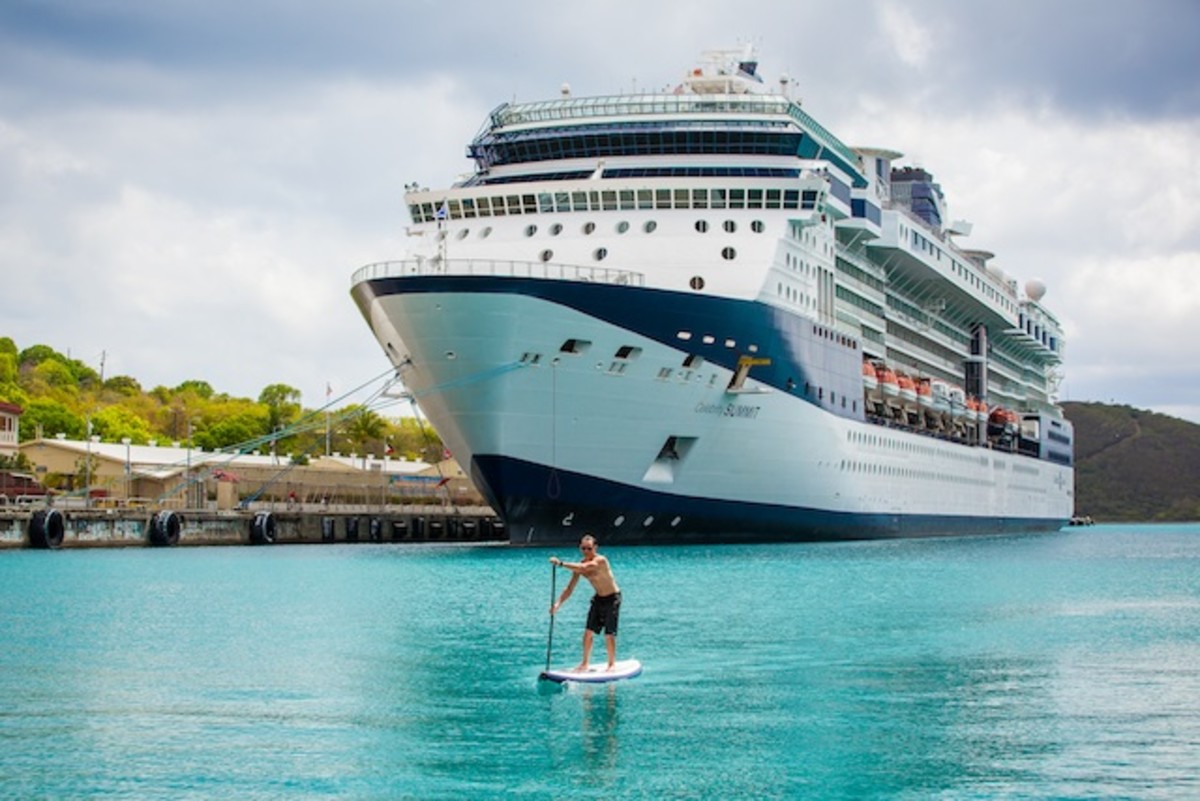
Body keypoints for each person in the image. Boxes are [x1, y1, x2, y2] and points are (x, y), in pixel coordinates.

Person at [549, 534, 621, 671]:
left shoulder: (601, 561)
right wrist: (557, 604)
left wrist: (561, 564)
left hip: (613, 598)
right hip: (599, 598)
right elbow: (570, 588)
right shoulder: (579, 565)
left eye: (589, 548)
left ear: (595, 547)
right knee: (588, 632)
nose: (586, 551)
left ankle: (611, 665)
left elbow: (585, 568)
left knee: (609, 633)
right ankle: (585, 664)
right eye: (583, 548)